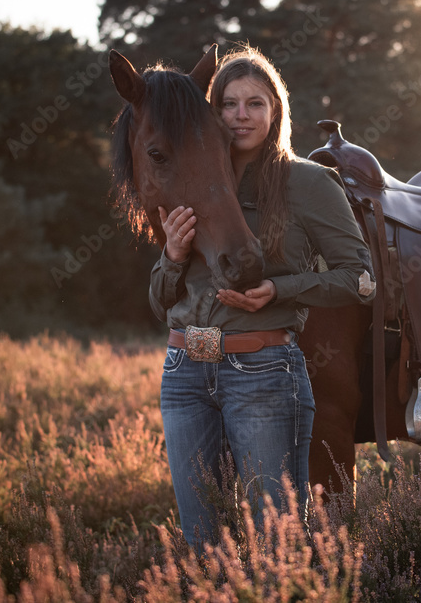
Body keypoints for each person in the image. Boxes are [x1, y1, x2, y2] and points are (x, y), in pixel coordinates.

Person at [149, 46, 375, 548]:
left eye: (255, 103)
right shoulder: (192, 180)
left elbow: (360, 279)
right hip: (184, 372)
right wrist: (172, 254)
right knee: (201, 542)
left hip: (263, 372)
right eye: (228, 104)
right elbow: (159, 302)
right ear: (212, 112)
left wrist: (280, 290)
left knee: (277, 539)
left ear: (276, 111)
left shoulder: (308, 183)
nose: (240, 116)